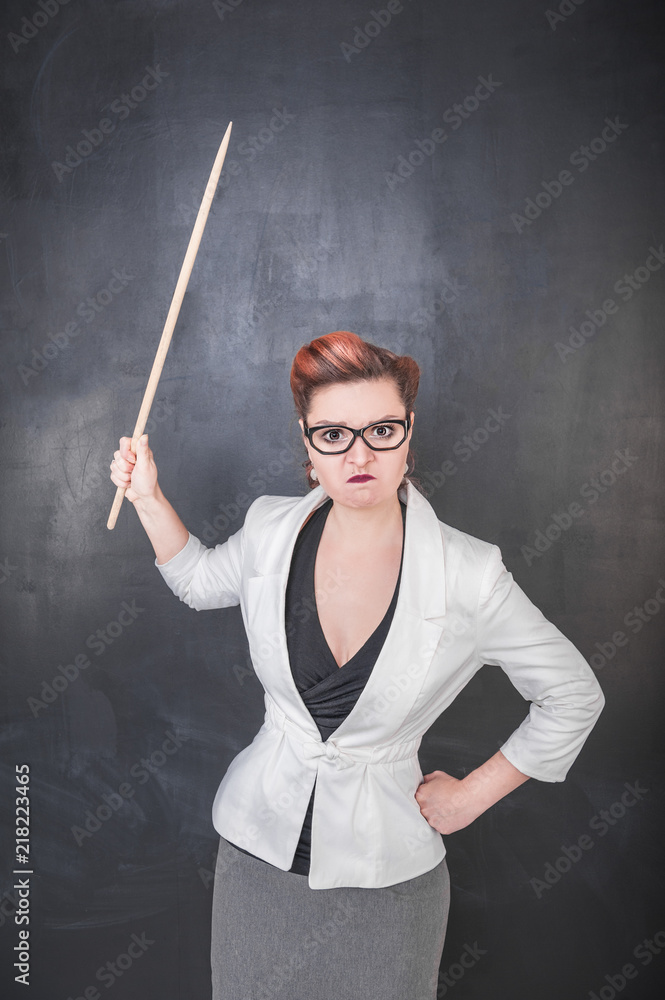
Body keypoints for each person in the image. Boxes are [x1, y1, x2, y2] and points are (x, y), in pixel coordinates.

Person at [109, 330, 605, 1000]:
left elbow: (572, 694)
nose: (360, 454)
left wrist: (472, 794)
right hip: (257, 856)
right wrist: (147, 497)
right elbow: (197, 582)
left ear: (408, 432)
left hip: (389, 875)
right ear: (308, 444)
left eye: (381, 430)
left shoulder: (468, 572)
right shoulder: (270, 529)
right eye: (333, 435)